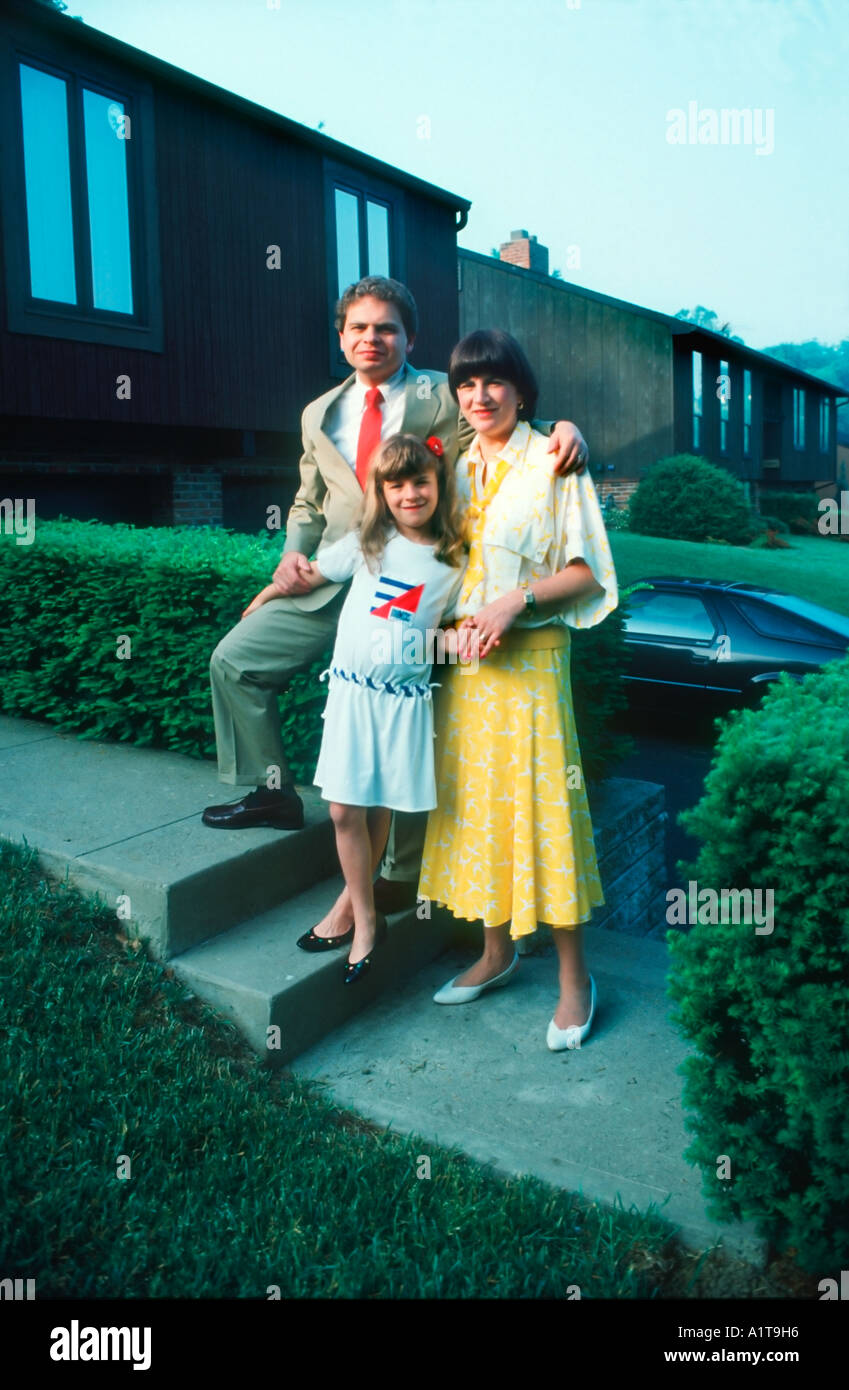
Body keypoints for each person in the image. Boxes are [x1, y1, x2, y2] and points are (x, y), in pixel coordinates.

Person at [203, 275, 589, 931]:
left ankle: (397, 876)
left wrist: (563, 428)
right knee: (234, 661)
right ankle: (271, 793)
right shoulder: (318, 412)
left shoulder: (444, 390)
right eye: (357, 327)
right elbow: (308, 501)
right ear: (341, 336)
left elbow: (502, 422)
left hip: (419, 580)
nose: (370, 338)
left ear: (410, 336)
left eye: (385, 327)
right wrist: (291, 553)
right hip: (336, 572)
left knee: (417, 720)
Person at [418, 330, 618, 1050]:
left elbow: (588, 572)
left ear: (521, 389)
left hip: (530, 665)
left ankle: (574, 981)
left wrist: (514, 603)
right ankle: (496, 953)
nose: (479, 396)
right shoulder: (453, 463)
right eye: (466, 383)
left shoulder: (554, 457)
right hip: (466, 670)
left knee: (542, 812)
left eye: (493, 382)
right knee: (475, 810)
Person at [242, 433, 468, 983]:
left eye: (421, 481)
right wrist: (265, 597)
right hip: (351, 693)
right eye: (397, 485)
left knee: (379, 805)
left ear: (439, 485)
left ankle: (351, 912)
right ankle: (365, 920)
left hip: (402, 702)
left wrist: (445, 644)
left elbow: (451, 638)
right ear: (381, 492)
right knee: (344, 809)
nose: (410, 494)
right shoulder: (368, 541)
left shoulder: (456, 560)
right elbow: (311, 576)